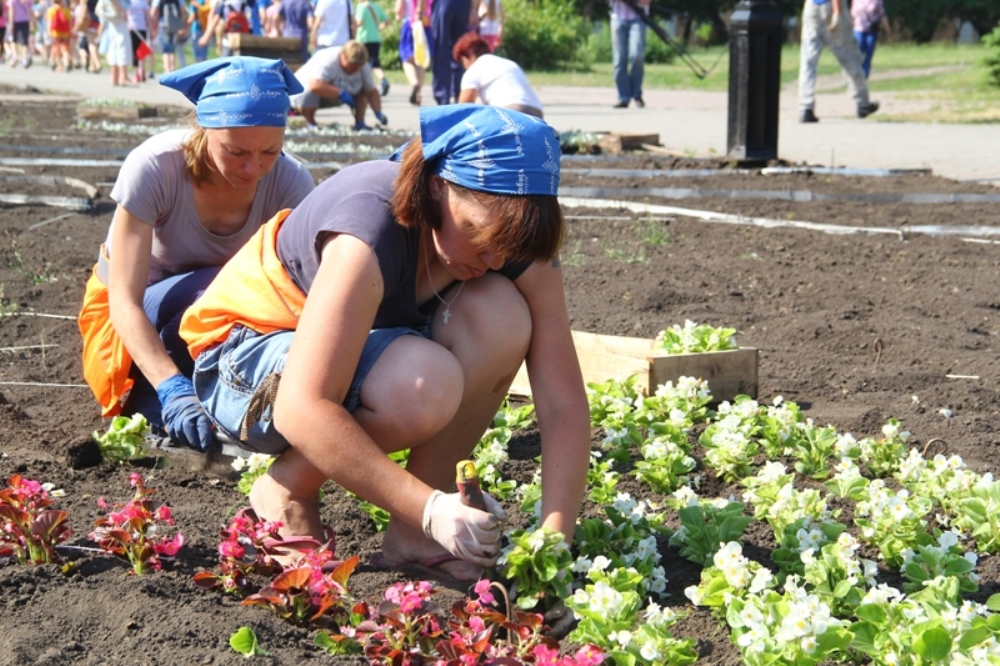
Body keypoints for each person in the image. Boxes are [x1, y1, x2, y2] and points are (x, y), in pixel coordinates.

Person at [178, 103, 591, 585]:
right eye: (480, 233)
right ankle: (286, 493)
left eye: (513, 243)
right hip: (244, 357)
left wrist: (554, 540)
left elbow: (562, 403)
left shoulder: (510, 246)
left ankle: (413, 539)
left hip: (349, 360)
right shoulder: (369, 226)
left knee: (501, 315)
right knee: (420, 383)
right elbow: (301, 406)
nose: (495, 256)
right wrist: (432, 508)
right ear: (438, 184)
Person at [77, 57, 315, 452]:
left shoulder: (290, 181)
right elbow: (123, 302)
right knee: (215, 287)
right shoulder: (155, 168)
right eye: (236, 151)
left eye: (270, 152)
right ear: (204, 129)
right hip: (134, 321)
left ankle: (225, 398)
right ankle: (164, 389)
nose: (253, 167)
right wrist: (172, 387)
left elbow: (303, 290)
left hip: (218, 316)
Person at [798, 0, 879, 123]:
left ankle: (805, 107)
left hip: (812, 7)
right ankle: (862, 103)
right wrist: (837, 11)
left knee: (808, 61)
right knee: (850, 57)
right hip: (832, 6)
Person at [288, 39, 387, 131]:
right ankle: (311, 123)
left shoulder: (363, 66)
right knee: (309, 92)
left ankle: (360, 123)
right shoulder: (328, 60)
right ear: (343, 56)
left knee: (363, 93)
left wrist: (378, 112)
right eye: (352, 65)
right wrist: (340, 93)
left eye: (358, 66)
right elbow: (315, 84)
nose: (355, 69)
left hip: (333, 95)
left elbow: (371, 91)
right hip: (301, 94)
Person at [453, 31, 542, 118]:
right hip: (536, 112)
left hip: (509, 112)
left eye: (462, 62)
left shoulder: (474, 69)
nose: (464, 67)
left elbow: (463, 109)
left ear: (470, 55)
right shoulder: (509, 63)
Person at [429, 0, 473, 105]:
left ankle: (443, 96)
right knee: (459, 50)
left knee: (441, 50)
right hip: (463, 5)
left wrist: (420, 9)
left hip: (444, 4)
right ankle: (458, 92)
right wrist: (474, 10)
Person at [609, 0, 648, 109]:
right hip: (618, 17)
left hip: (639, 17)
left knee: (637, 55)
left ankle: (636, 94)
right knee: (619, 59)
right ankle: (623, 97)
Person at [394, 0, 428, 106]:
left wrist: (398, 15)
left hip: (409, 24)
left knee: (407, 59)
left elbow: (398, 10)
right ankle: (418, 93)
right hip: (424, 25)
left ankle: (414, 85)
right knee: (420, 61)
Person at [354, 0, 388, 96]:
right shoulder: (376, 6)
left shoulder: (361, 6)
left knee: (362, 63)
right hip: (375, 38)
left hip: (363, 39)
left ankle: (365, 85)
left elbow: (359, 22)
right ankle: (382, 79)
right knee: (374, 62)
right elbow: (387, 21)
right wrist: (379, 28)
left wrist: (352, 25)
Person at [851, 0, 889, 79]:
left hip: (872, 30)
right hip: (859, 29)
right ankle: (857, 70)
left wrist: (887, 27)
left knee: (869, 51)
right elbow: (852, 13)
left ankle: (865, 73)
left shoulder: (877, 1)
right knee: (859, 49)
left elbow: (882, 14)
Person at [151, 0, 188, 74]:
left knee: (165, 49)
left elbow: (153, 12)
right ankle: (172, 69)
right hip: (174, 26)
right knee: (172, 49)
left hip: (163, 25)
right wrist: (182, 27)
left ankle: (167, 69)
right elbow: (182, 12)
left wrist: (153, 27)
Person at [45, 0, 71, 70]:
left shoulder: (51, 10)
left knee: (55, 47)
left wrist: (48, 31)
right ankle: (66, 62)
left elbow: (49, 21)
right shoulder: (65, 10)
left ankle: (57, 64)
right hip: (64, 32)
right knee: (64, 47)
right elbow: (69, 22)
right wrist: (69, 31)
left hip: (55, 32)